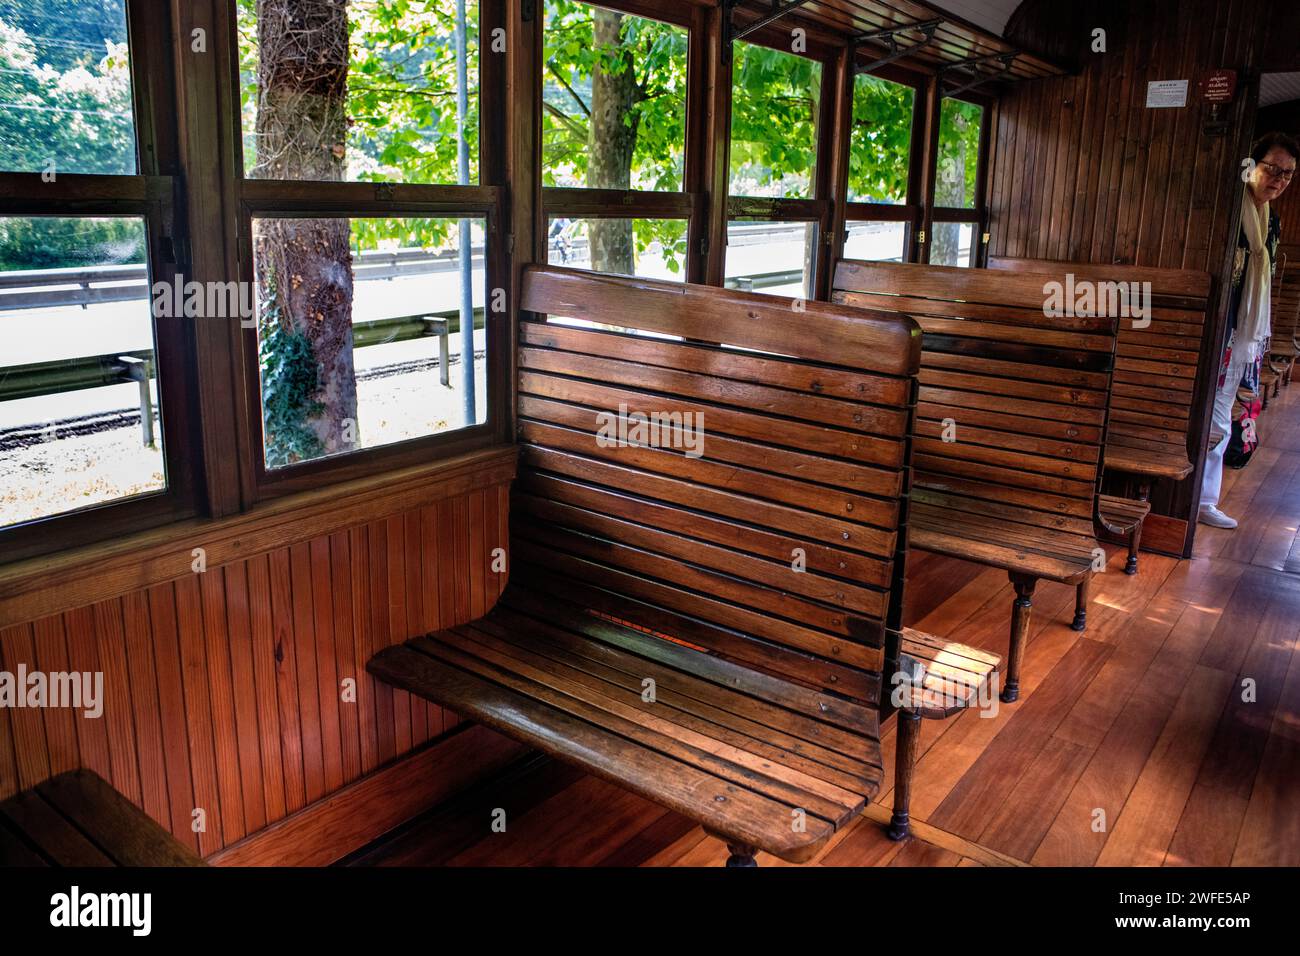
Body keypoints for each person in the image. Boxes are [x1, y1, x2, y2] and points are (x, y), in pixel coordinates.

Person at [1199, 132, 1297, 529]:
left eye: (1287, 174)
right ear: (1251, 166)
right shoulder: (1227, 211)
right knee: (1208, 416)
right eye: (1273, 169)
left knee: (1223, 415)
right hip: (1216, 330)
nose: (1279, 180)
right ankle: (1194, 500)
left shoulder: (1270, 221)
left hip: (1243, 335)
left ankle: (1205, 500)